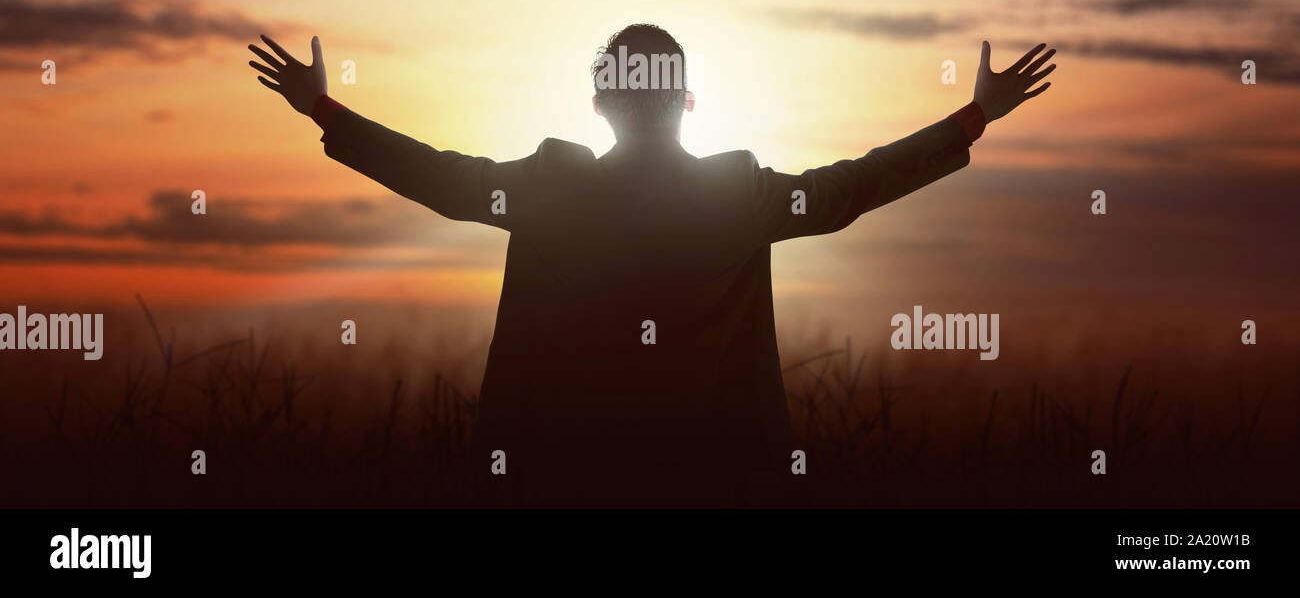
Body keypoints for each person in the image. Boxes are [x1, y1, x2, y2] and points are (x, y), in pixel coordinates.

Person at [249, 25, 1055, 505]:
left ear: (598, 104)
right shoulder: (737, 195)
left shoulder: (548, 187)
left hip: (555, 476)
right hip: (711, 478)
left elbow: (434, 175)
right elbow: (853, 186)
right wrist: (975, 115)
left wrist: (323, 108)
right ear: (688, 105)